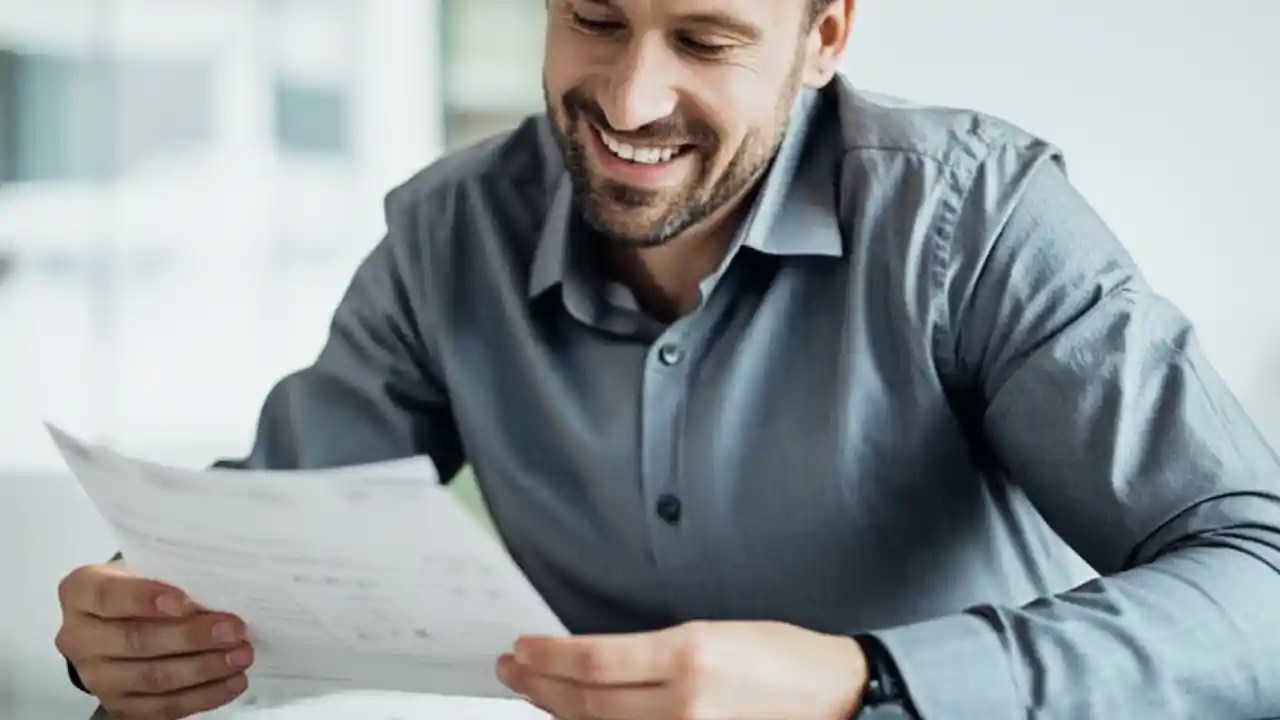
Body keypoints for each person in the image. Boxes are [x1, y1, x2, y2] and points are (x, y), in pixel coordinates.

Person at [53, 0, 1280, 718]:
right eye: (594, 17)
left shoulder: (976, 217)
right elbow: (272, 539)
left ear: (823, 33)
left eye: (703, 38)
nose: (630, 100)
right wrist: (140, 617)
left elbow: (1260, 581)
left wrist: (862, 684)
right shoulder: (446, 234)